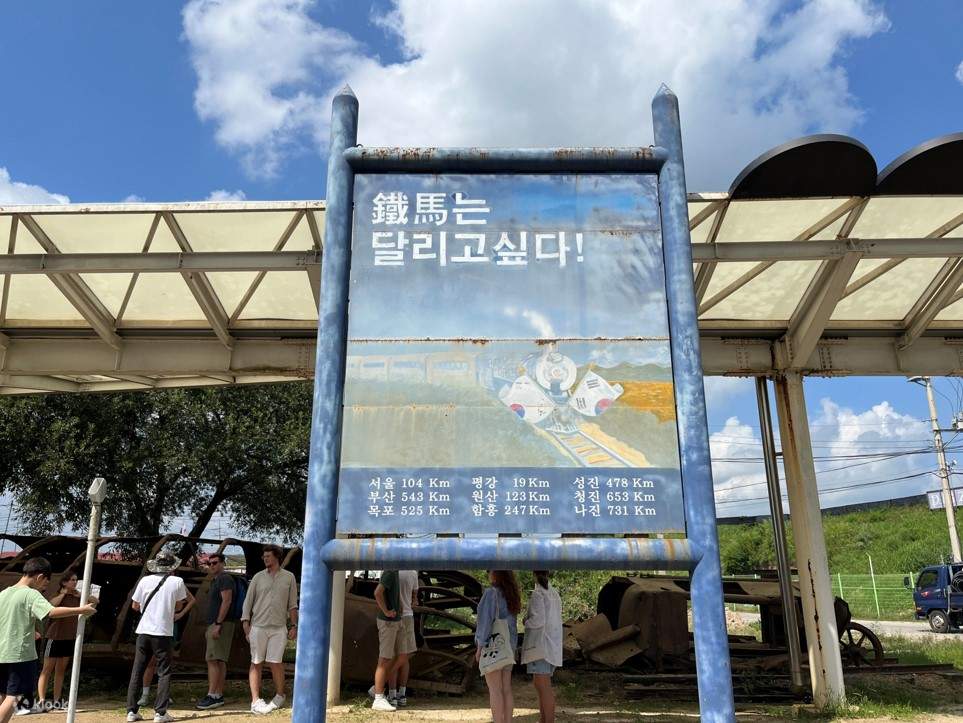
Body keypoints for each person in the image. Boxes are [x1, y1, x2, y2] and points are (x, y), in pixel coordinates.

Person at [0, 557, 96, 723]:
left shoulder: (4, 593)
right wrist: (81, 609)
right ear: (39, 577)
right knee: (14, 696)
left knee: (3, 694)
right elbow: (51, 612)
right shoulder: (30, 594)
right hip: (20, 654)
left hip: (2, 652)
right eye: (45, 583)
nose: (44, 587)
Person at [125, 551, 195, 723]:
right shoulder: (177, 581)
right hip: (163, 632)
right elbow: (179, 606)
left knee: (137, 670)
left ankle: (132, 711)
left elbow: (135, 605)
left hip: (143, 630)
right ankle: (160, 712)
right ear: (171, 567)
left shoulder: (145, 580)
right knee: (164, 671)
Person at [241, 545, 298, 716]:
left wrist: (294, 626)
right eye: (264, 556)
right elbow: (248, 601)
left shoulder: (289, 577)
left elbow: (292, 605)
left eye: (268, 556)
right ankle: (255, 700)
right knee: (256, 662)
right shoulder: (258, 577)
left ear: (277, 557)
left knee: (276, 662)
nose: (265, 559)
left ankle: (280, 695)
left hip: (279, 627)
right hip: (258, 626)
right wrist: (246, 623)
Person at [36, 568, 92, 711]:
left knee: (61, 670)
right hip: (54, 637)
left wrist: (80, 594)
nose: (75, 582)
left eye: (76, 580)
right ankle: (42, 700)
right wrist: (63, 594)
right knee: (47, 669)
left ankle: (56, 701)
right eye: (72, 580)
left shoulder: (77, 596)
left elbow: (95, 600)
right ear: (64, 582)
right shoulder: (58, 595)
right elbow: (51, 607)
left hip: (69, 637)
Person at [474, 571, 520, 723]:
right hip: (509, 647)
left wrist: (480, 647)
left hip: (493, 646)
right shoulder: (511, 594)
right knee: (506, 688)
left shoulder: (490, 593)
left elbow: (485, 622)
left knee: (494, 690)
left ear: (495, 574)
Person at [521, 571, 563, 723]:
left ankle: (548, 720)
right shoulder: (554, 593)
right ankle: (543, 719)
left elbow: (538, 621)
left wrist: (526, 621)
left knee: (544, 687)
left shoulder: (538, 594)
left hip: (540, 646)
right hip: (550, 646)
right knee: (540, 685)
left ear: (533, 574)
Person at [195, 554, 236, 710]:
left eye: (215, 563)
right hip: (219, 623)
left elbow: (227, 600)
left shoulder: (224, 579)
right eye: (209, 563)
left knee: (212, 659)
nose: (211, 565)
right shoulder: (217, 579)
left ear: (223, 563)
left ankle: (212, 695)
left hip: (220, 624)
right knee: (219, 660)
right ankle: (217, 695)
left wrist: (218, 623)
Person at [369, 570, 401, 712]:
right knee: (385, 659)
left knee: (390, 658)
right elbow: (377, 593)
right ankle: (378, 698)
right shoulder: (391, 572)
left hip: (392, 621)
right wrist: (387, 611)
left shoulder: (393, 571)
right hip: (388, 622)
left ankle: (377, 690)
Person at [390, 570, 419, 707]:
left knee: (394, 657)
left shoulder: (391, 571)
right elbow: (415, 600)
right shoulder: (413, 573)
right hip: (408, 616)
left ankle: (391, 693)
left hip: (393, 616)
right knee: (405, 657)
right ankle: (402, 693)